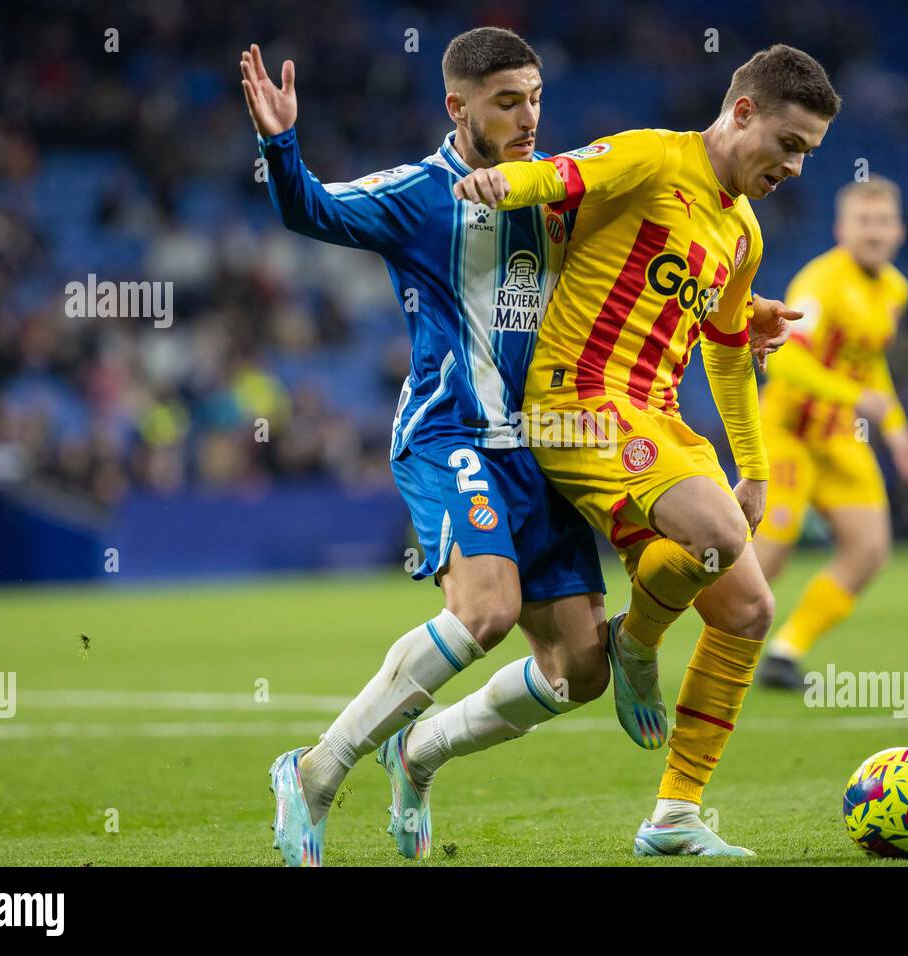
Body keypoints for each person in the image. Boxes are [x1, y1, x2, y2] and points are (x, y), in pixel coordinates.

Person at [453, 43, 838, 855]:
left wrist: (755, 467)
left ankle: (674, 816)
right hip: (573, 404)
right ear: (742, 114)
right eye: (791, 145)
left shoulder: (744, 236)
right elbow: (556, 177)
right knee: (717, 534)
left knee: (747, 607)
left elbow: (728, 351)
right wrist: (498, 181)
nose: (797, 168)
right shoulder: (651, 157)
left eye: (809, 153)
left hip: (655, 421)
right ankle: (635, 644)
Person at [241, 28, 610, 866]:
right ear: (458, 107)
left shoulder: (557, 191)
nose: (527, 117)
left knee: (580, 671)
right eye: (507, 102)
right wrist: (279, 141)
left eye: (535, 97)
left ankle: (419, 752)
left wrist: (739, 309)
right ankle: (312, 774)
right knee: (486, 609)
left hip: (542, 453)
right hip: (450, 435)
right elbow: (312, 209)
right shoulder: (420, 193)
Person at [753, 176, 908, 688]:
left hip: (838, 437)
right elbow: (783, 365)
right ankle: (709, 650)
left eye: (883, 222)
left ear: (899, 231)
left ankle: (785, 653)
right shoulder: (819, 285)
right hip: (787, 432)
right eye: (863, 221)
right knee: (770, 557)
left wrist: (898, 429)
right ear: (841, 228)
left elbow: (869, 365)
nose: (874, 232)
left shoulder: (896, 288)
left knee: (869, 549)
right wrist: (856, 400)